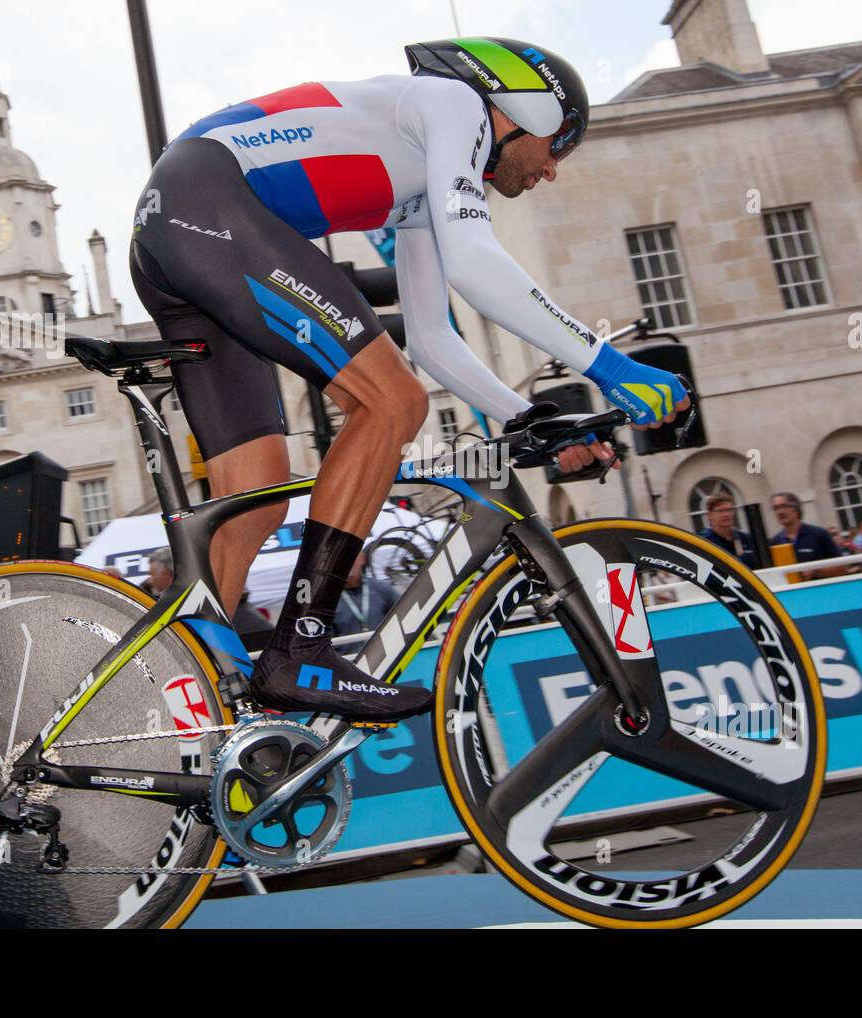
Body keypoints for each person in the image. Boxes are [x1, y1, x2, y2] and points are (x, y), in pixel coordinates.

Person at [127, 38, 691, 722]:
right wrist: (610, 366)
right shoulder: (453, 102)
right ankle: (302, 642)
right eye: (559, 144)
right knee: (390, 401)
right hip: (207, 203)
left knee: (253, 501)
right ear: (521, 109)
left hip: (183, 222)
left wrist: (523, 416)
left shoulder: (428, 177)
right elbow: (477, 263)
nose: (553, 170)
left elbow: (431, 334)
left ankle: (175, 712)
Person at [769, 493, 844, 580]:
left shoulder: (818, 534)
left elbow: (842, 568)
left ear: (796, 509)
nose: (780, 511)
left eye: (784, 506)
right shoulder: (775, 541)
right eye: (776, 508)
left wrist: (816, 571)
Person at [333, 550, 401, 636]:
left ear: (362, 558)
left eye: (350, 557)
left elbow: (406, 616)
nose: (345, 563)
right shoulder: (326, 599)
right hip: (349, 649)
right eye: (339, 559)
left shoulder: (383, 589)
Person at [698, 494, 759, 568]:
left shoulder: (745, 538)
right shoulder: (704, 541)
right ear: (710, 515)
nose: (726, 514)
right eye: (720, 511)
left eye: (728, 510)